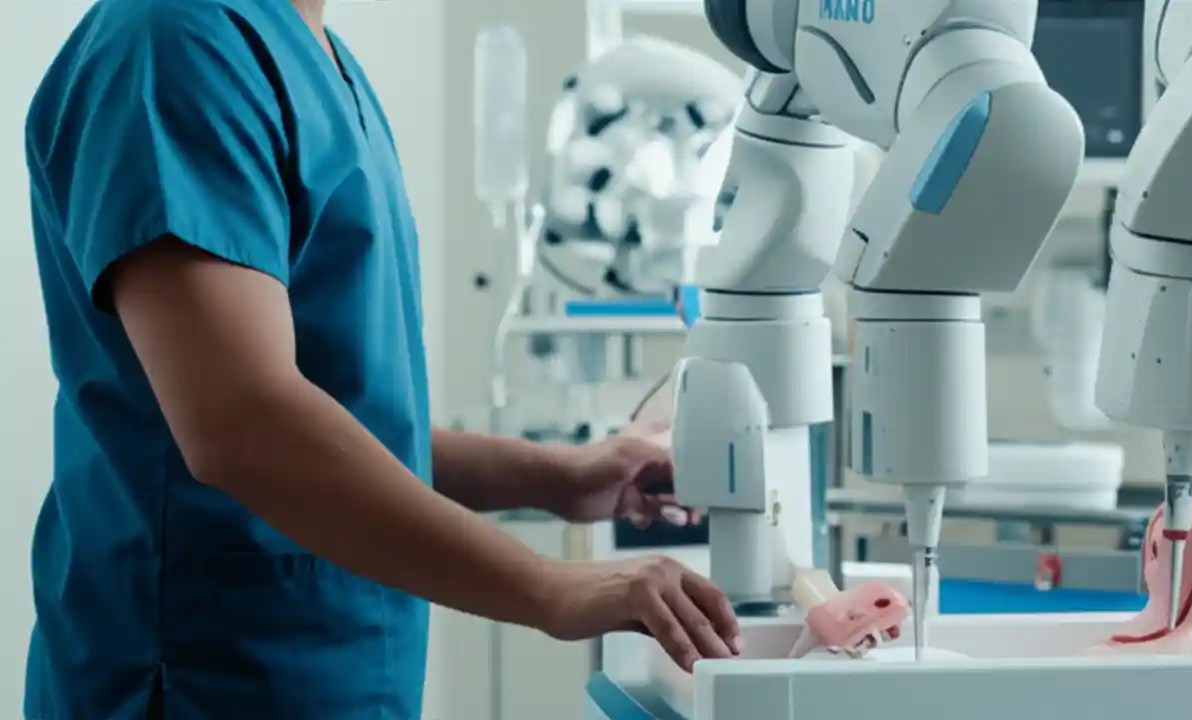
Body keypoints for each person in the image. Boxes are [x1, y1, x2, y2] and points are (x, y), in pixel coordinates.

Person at [22, 0, 740, 717]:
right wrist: (549, 587)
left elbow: (346, 421)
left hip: (333, 674)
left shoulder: (318, 57)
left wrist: (550, 477)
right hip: (205, 678)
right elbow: (243, 425)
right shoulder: (173, 47)